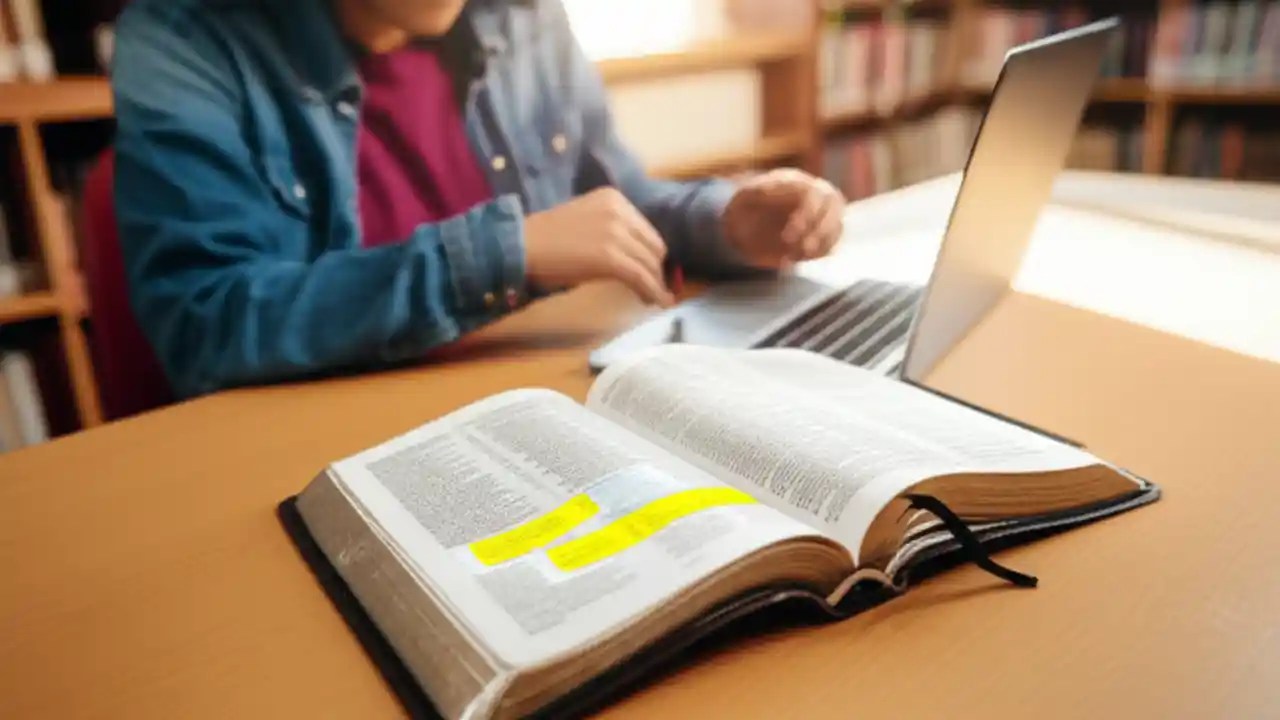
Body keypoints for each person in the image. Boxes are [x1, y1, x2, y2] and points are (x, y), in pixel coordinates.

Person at [111, 0, 846, 399]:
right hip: (325, 448)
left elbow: (615, 206)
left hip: (538, 402)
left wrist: (728, 220)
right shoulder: (182, 36)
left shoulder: (522, 17)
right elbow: (206, 324)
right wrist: (505, 252)